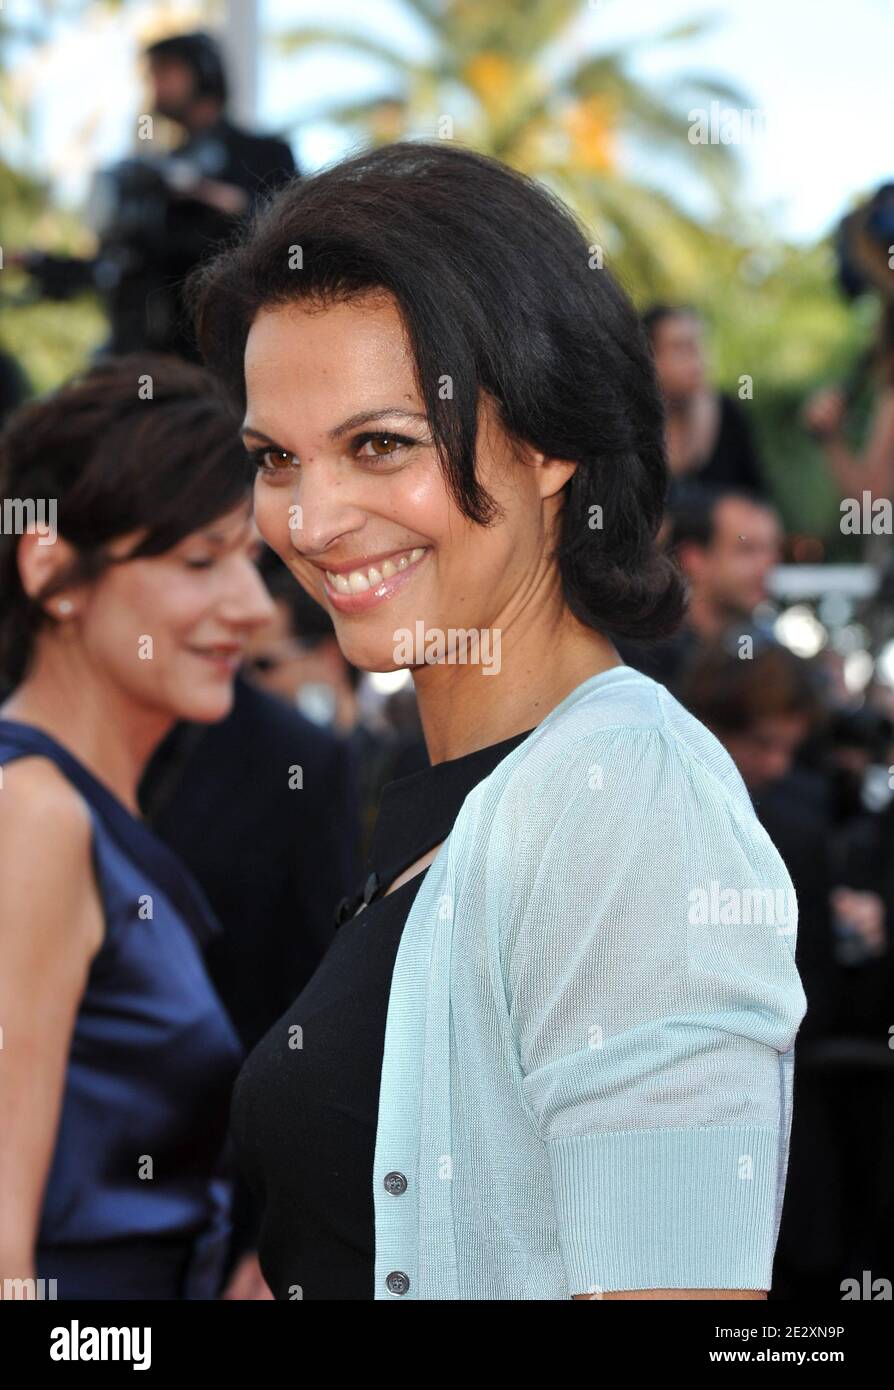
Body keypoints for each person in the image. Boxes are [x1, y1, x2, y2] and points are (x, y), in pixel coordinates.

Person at [189, 140, 807, 1301]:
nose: (312, 519)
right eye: (276, 459)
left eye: (381, 445)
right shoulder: (443, 788)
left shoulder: (622, 794)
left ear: (548, 441)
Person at [0, 354, 275, 1299]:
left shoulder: (78, 809)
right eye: (200, 561)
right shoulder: (30, 816)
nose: (253, 608)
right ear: (54, 572)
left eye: (252, 560)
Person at [12, 31, 297, 361]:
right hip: (147, 363)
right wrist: (39, 264)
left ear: (204, 71)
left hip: (226, 361)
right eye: (152, 74)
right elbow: (115, 265)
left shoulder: (263, 154)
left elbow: (284, 237)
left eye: (167, 71)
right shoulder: (150, 174)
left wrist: (204, 193)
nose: (156, 83)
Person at [618, 484, 783, 691]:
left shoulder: (766, 652)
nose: (767, 567)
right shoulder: (640, 657)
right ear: (694, 559)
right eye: (747, 551)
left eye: (772, 550)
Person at [642, 304, 768, 502]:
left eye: (699, 345)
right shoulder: (631, 428)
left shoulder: (729, 414)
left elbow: (757, 503)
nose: (697, 358)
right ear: (649, 358)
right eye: (680, 347)